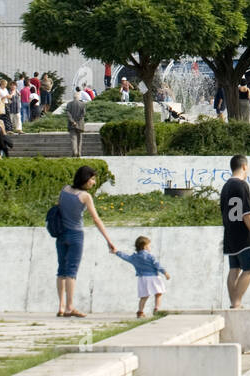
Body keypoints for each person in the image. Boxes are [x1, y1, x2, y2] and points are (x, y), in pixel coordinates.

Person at [56, 165, 117, 318]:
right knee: (71, 271)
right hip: (76, 235)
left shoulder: (64, 190)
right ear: (85, 179)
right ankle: (70, 307)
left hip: (61, 234)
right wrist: (108, 240)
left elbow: (59, 208)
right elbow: (96, 219)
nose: (94, 182)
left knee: (61, 270)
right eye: (92, 179)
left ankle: (61, 307)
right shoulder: (85, 196)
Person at [221, 155, 250, 309]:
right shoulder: (242, 185)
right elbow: (246, 213)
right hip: (244, 235)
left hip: (230, 234)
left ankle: (234, 303)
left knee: (234, 269)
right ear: (244, 166)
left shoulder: (226, 187)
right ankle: (236, 302)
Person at [114, 235, 171, 318]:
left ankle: (140, 312)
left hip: (142, 279)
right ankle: (156, 309)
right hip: (153, 277)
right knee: (158, 293)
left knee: (144, 296)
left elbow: (125, 257)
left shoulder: (135, 257)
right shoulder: (150, 256)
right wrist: (165, 272)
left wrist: (116, 252)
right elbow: (157, 265)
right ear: (145, 246)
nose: (150, 247)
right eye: (149, 245)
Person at [65, 93, 88, 158]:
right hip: (80, 125)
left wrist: (73, 121)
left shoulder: (69, 104)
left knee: (73, 139)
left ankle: (74, 152)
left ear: (73, 97)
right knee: (79, 140)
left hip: (71, 125)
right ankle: (79, 153)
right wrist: (77, 121)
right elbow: (83, 114)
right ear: (79, 97)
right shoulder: (82, 104)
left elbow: (68, 114)